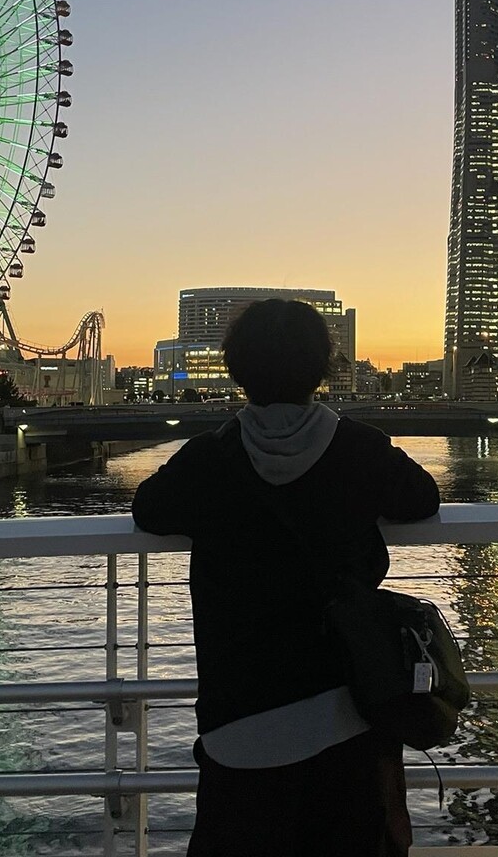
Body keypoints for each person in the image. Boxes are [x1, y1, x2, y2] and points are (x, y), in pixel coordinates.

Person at [132, 299, 440, 856]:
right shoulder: (360, 448)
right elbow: (421, 499)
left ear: (236, 371)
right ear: (323, 369)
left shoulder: (210, 457)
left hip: (237, 716)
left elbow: (149, 510)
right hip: (346, 711)